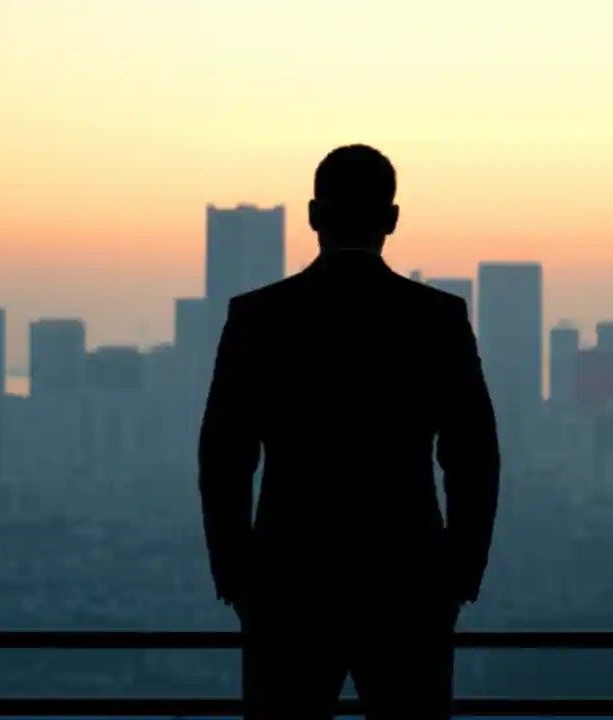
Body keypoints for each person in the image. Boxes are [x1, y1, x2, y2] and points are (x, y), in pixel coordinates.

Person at [198, 144, 501, 719]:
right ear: (391, 218)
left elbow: (225, 456)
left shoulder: (258, 317)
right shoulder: (436, 318)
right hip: (406, 584)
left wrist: (238, 577)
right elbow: (472, 455)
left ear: (314, 215)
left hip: (289, 584)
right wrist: (457, 575)